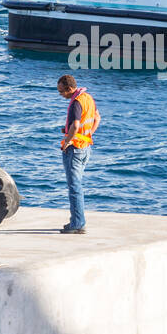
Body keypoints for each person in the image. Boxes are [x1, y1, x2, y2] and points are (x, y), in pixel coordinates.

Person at [57, 74, 99, 234]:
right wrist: (84, 135)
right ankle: (76, 221)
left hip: (74, 149)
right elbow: (97, 119)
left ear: (69, 89)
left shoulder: (76, 102)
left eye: (61, 91)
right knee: (77, 185)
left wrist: (68, 140)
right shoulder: (88, 98)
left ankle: (77, 223)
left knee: (74, 187)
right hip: (85, 147)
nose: (61, 95)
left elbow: (75, 125)